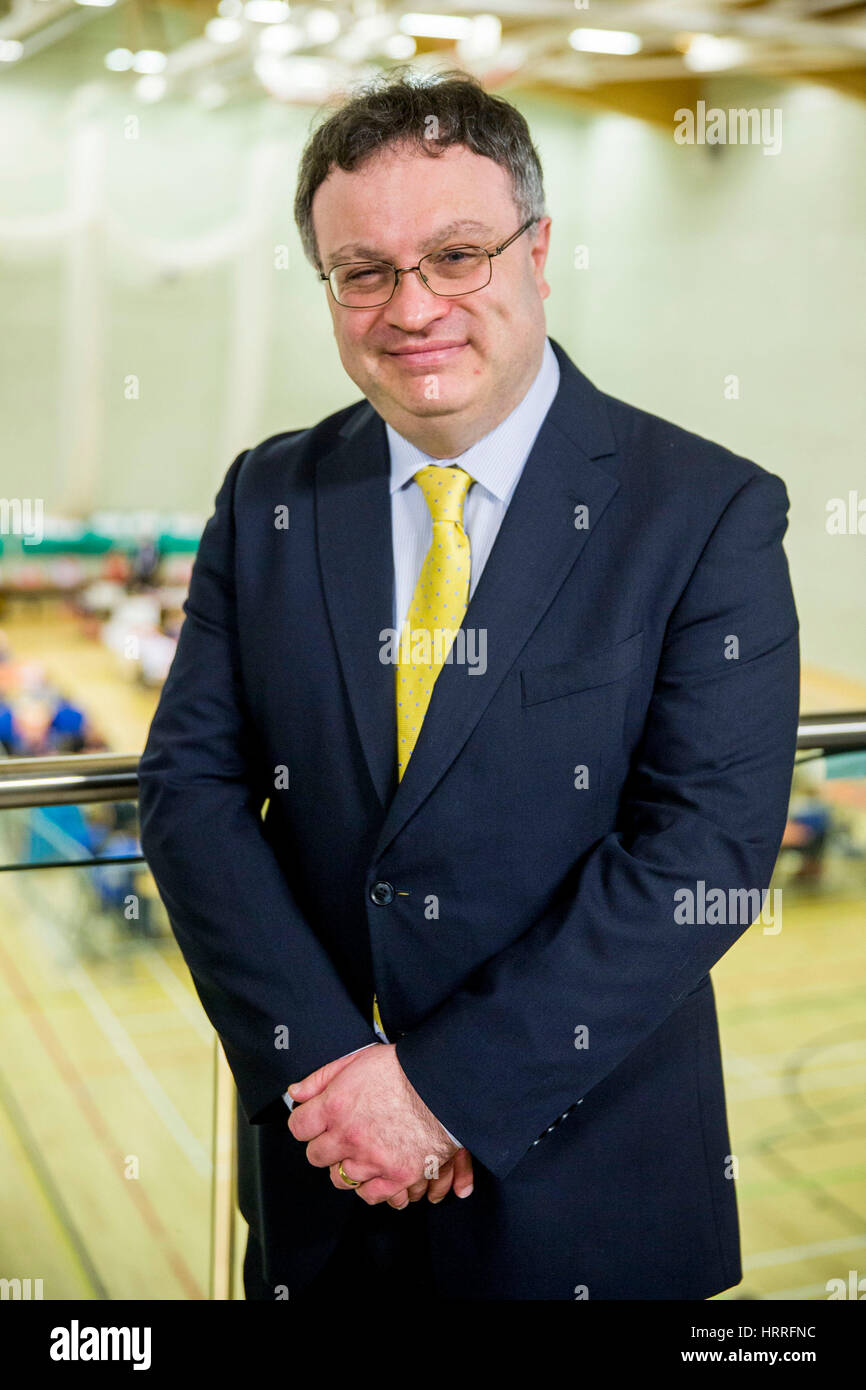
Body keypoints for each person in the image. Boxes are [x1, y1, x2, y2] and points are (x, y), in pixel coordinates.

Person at [137, 69, 800, 1301]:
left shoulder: (702, 509)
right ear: (328, 289)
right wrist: (330, 1067)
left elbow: (702, 857)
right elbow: (190, 791)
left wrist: (437, 1091)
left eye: (455, 254)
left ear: (537, 252)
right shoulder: (267, 494)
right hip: (325, 1172)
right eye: (364, 271)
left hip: (583, 1184)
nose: (412, 306)